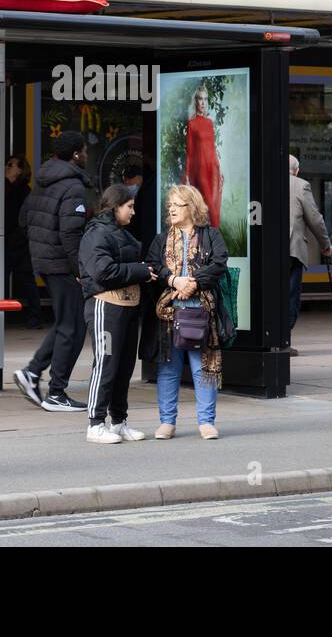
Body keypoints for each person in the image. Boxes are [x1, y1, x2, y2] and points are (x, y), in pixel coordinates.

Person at [12, 132, 92, 412]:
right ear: (75, 155)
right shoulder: (72, 186)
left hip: (44, 262)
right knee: (74, 327)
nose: (87, 155)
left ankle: (32, 372)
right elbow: (71, 234)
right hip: (63, 264)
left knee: (65, 323)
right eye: (84, 150)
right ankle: (57, 392)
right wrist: (80, 269)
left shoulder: (44, 181)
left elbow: (25, 219)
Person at [143, 185, 229, 440]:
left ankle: (206, 422)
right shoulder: (161, 239)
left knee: (204, 368)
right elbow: (153, 266)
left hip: (200, 313)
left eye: (176, 204)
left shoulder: (211, 235)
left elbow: (219, 263)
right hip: (168, 315)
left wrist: (192, 283)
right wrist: (173, 281)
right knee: (168, 369)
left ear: (191, 207)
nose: (171, 209)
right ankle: (167, 422)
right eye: (169, 204)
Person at [79, 184, 157, 444]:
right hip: (105, 306)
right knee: (106, 363)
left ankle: (118, 422)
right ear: (115, 207)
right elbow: (103, 272)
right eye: (130, 206)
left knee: (124, 366)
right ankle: (95, 423)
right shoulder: (96, 234)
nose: (133, 212)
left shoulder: (119, 233)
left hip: (126, 306)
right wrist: (141, 271)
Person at [287, 155, 332, 356]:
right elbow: (314, 218)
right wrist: (326, 244)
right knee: (290, 295)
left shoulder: (267, 182)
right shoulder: (301, 185)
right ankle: (284, 340)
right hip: (291, 250)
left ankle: (273, 339)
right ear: (296, 170)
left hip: (269, 253)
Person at [3, 155, 41, 329]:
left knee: (26, 280)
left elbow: (27, 220)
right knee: (1, 280)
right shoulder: (3, 189)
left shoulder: (25, 192)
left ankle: (35, 317)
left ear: (20, 170)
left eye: (11, 165)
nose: (7, 167)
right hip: (4, 243)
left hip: (20, 243)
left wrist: (16, 238)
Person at [183, 84, 223, 228]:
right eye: (200, 99)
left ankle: (214, 244)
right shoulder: (192, 124)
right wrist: (187, 175)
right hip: (200, 171)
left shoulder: (210, 123)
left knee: (214, 209)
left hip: (212, 169)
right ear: (196, 101)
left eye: (205, 99)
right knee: (204, 209)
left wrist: (219, 169)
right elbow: (189, 152)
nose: (203, 102)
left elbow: (212, 148)